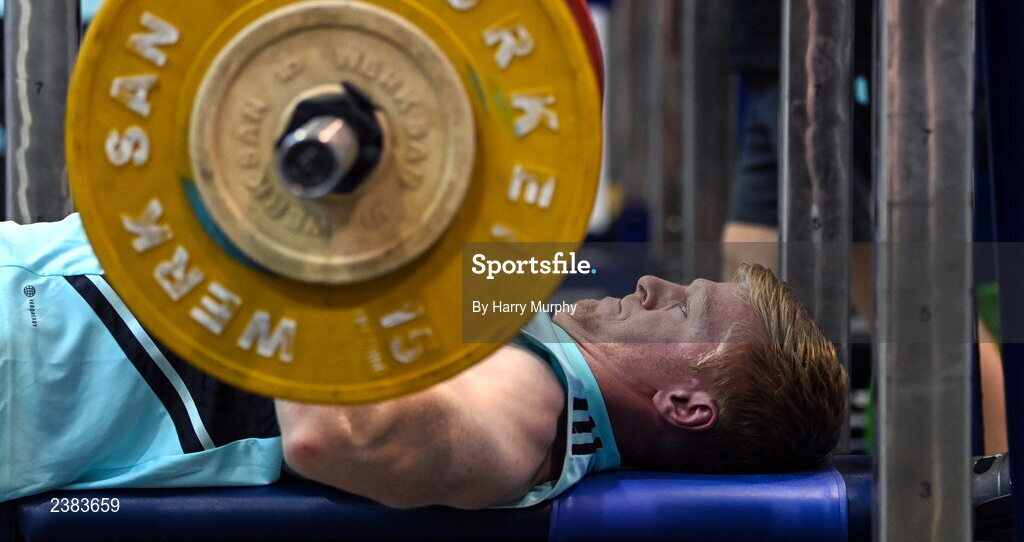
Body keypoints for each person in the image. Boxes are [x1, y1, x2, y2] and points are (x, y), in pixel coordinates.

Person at [1, 213, 847, 508]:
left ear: (687, 405)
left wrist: (324, 234)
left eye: (686, 307)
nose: (654, 282)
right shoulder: (522, 321)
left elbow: (338, 435)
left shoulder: (528, 408)